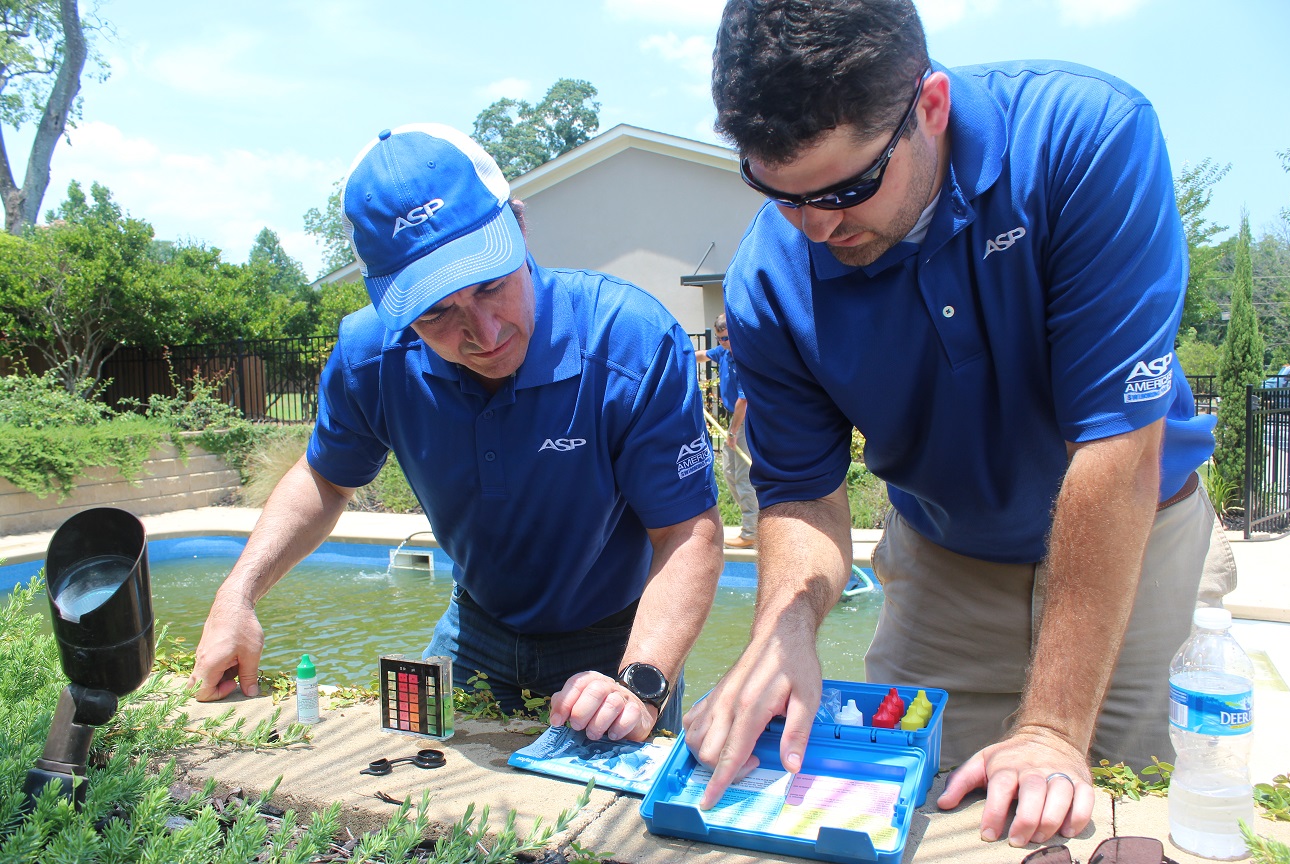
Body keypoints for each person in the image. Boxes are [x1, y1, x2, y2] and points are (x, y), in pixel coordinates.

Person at [683, 0, 1235, 848]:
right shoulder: (771, 275)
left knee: (1126, 824)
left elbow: (1117, 446)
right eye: (780, 193)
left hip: (1137, 545)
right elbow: (802, 493)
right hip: (944, 562)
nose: (818, 228)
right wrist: (784, 630)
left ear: (928, 106)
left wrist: (1052, 730)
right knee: (904, 821)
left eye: (847, 188)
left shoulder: (1084, 140)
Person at [189, 123, 724, 742]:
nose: (485, 333)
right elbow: (325, 479)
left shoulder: (629, 339)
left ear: (520, 227)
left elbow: (686, 530)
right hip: (474, 630)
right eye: (436, 312)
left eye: (492, 285)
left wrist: (641, 682)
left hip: (620, 637)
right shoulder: (370, 356)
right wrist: (239, 592)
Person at [695, 313, 758, 549]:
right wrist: (678, 358)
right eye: (720, 339)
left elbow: (744, 401)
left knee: (742, 476)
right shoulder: (722, 353)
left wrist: (732, 433)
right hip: (736, 418)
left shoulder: (743, 359)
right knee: (730, 473)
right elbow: (701, 355)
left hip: (746, 419)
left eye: (726, 338)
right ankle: (754, 525)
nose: (722, 342)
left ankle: (751, 531)